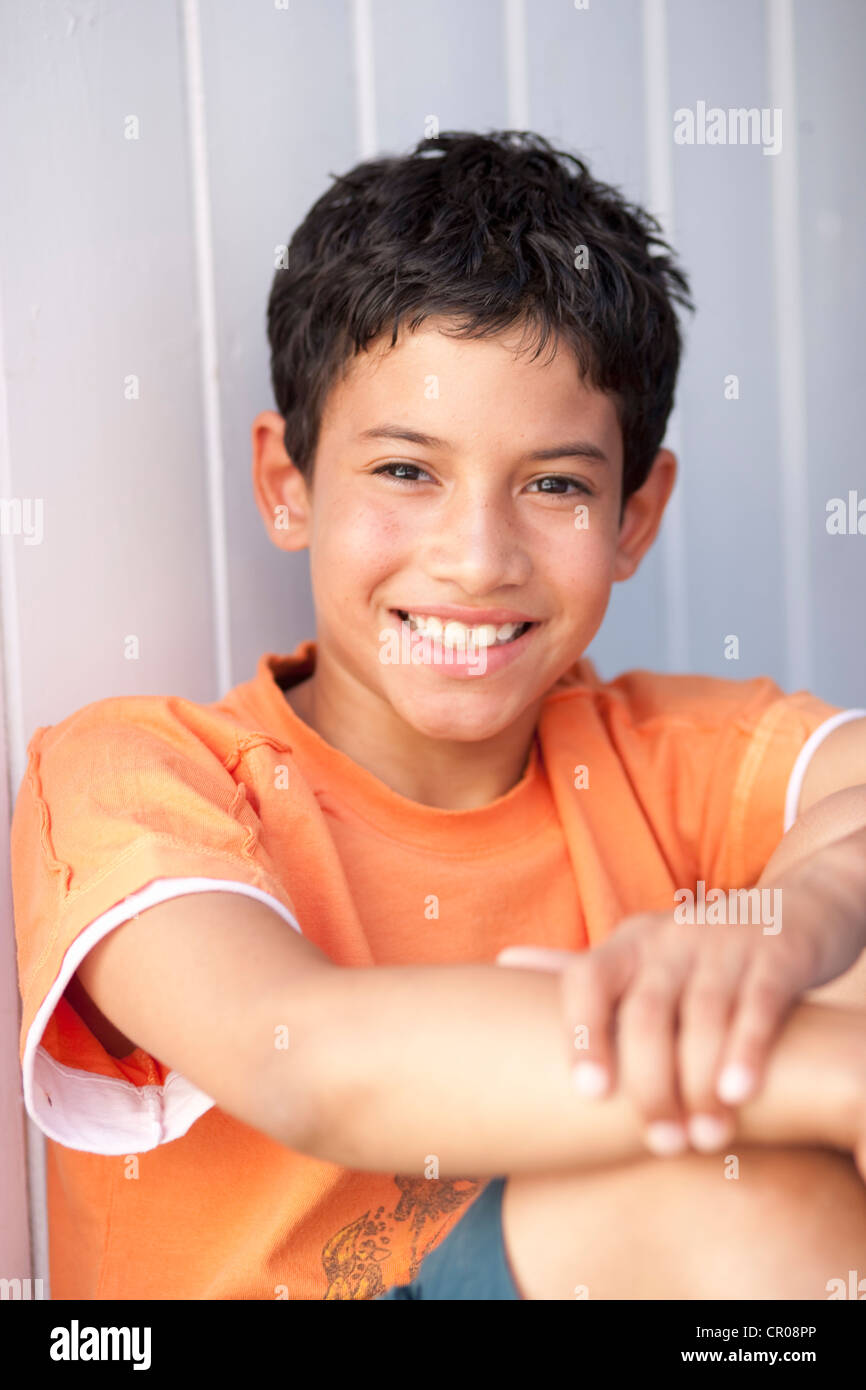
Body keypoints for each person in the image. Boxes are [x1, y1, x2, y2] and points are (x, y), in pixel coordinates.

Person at [11, 130, 866, 1301]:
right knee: (745, 1200)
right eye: (406, 472)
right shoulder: (139, 772)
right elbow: (303, 1059)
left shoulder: (662, 760)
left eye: (554, 484)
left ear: (632, 515)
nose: (475, 559)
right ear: (287, 483)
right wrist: (835, 1072)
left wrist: (799, 918)